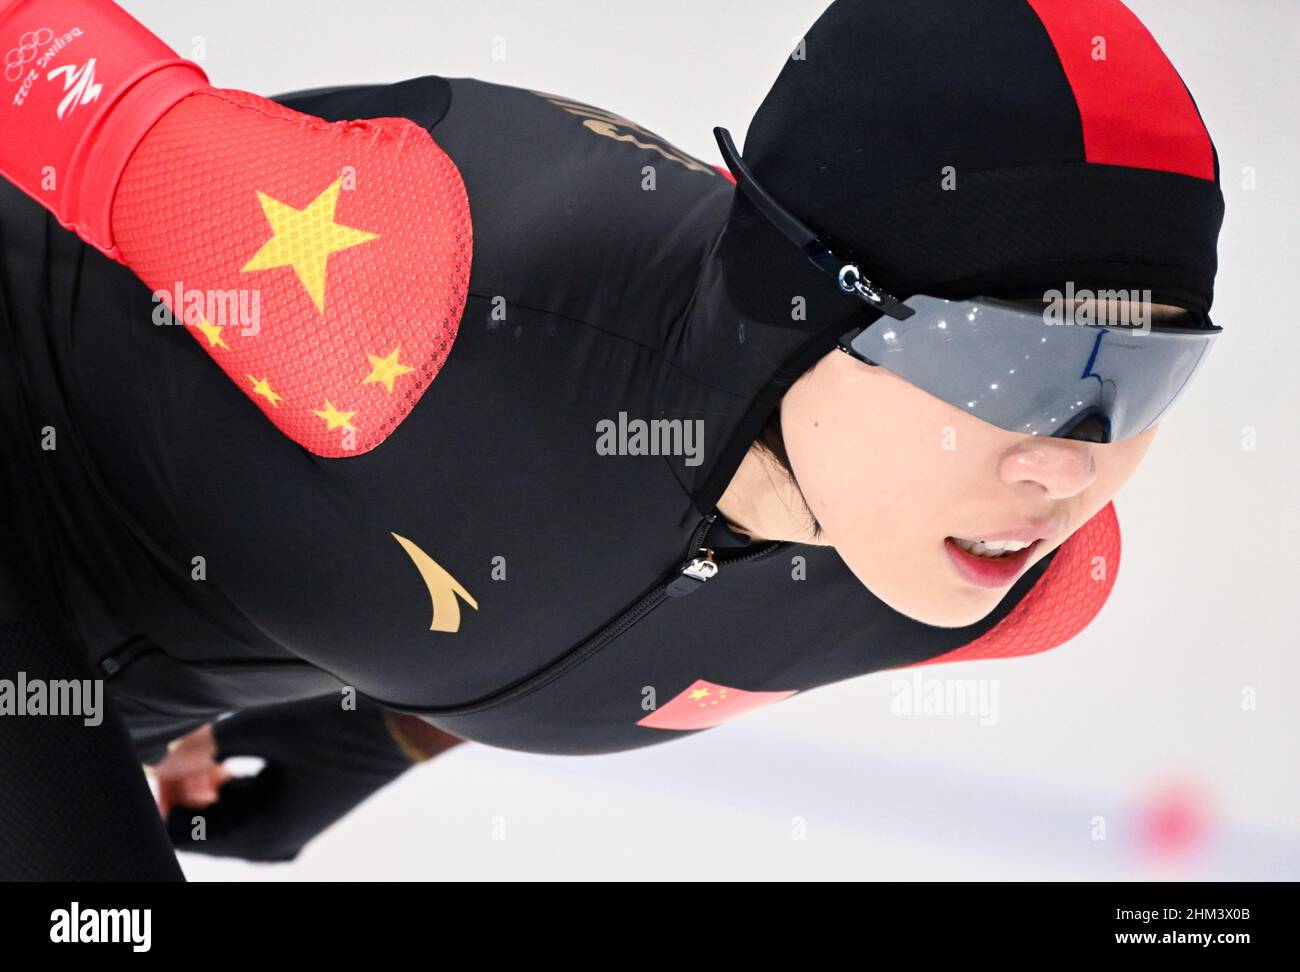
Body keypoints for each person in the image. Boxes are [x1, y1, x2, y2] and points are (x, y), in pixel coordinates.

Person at [0, 0, 1225, 877]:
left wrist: (377, 733)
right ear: (801, 291)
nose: (1068, 464)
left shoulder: (1020, 580)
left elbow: (579, 606)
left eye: (1148, 369)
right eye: (999, 357)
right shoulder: (406, 277)